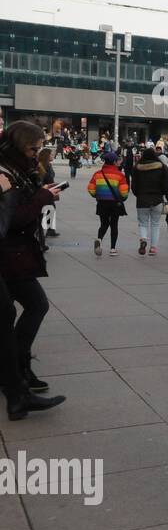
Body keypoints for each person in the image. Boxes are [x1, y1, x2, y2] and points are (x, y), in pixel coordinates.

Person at [0, 122, 68, 410]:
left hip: (16, 252)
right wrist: (42, 198)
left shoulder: (19, 170)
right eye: (32, 148)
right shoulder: (4, 172)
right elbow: (11, 219)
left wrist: (42, 193)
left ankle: (17, 381)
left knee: (20, 310)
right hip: (8, 252)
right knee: (17, 311)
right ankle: (16, 382)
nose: (36, 153)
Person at [86, 151, 129, 256]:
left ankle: (99, 239)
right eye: (117, 160)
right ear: (114, 162)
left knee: (104, 224)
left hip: (102, 203)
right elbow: (124, 192)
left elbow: (91, 189)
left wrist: (97, 196)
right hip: (114, 204)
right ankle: (113, 249)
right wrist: (123, 198)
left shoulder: (97, 174)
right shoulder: (120, 175)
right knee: (114, 225)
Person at [131, 148, 166, 255]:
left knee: (143, 223)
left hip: (142, 199)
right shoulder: (162, 167)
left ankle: (143, 239)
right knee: (155, 224)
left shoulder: (137, 167)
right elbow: (165, 185)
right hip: (157, 199)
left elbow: (134, 186)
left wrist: (139, 194)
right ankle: (153, 248)